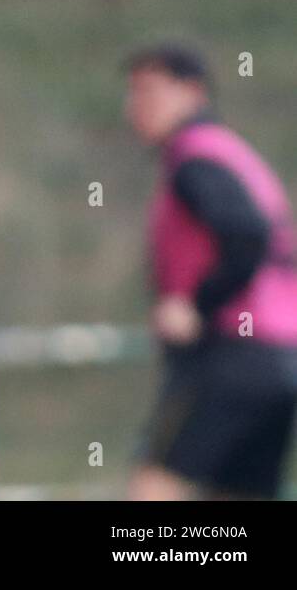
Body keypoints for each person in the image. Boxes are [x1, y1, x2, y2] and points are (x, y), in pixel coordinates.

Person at [123, 42, 297, 499]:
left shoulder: (194, 158)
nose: (136, 107)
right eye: (133, 94)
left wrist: (195, 304)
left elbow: (248, 237)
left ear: (193, 93)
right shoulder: (233, 152)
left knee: (154, 485)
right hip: (280, 358)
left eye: (149, 92)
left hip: (231, 354)